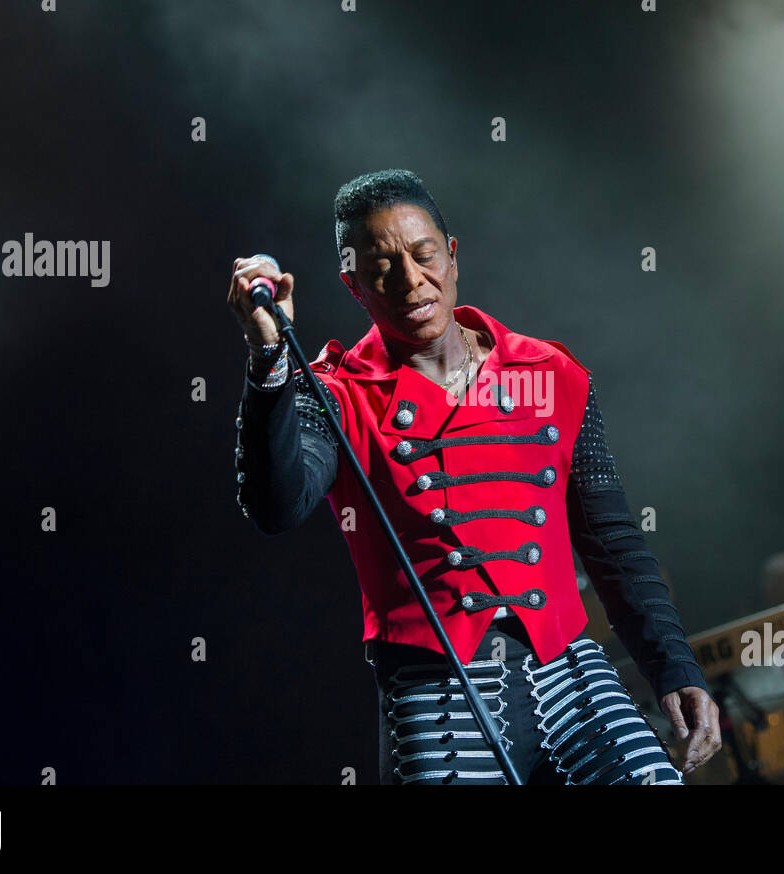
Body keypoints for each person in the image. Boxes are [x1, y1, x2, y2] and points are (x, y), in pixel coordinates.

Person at [226, 169, 720, 784]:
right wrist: (268, 358)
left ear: (452, 255)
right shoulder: (336, 395)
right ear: (353, 285)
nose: (410, 280)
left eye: (424, 254)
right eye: (381, 267)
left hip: (569, 671)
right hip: (434, 685)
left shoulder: (550, 374)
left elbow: (613, 543)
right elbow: (275, 506)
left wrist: (674, 667)